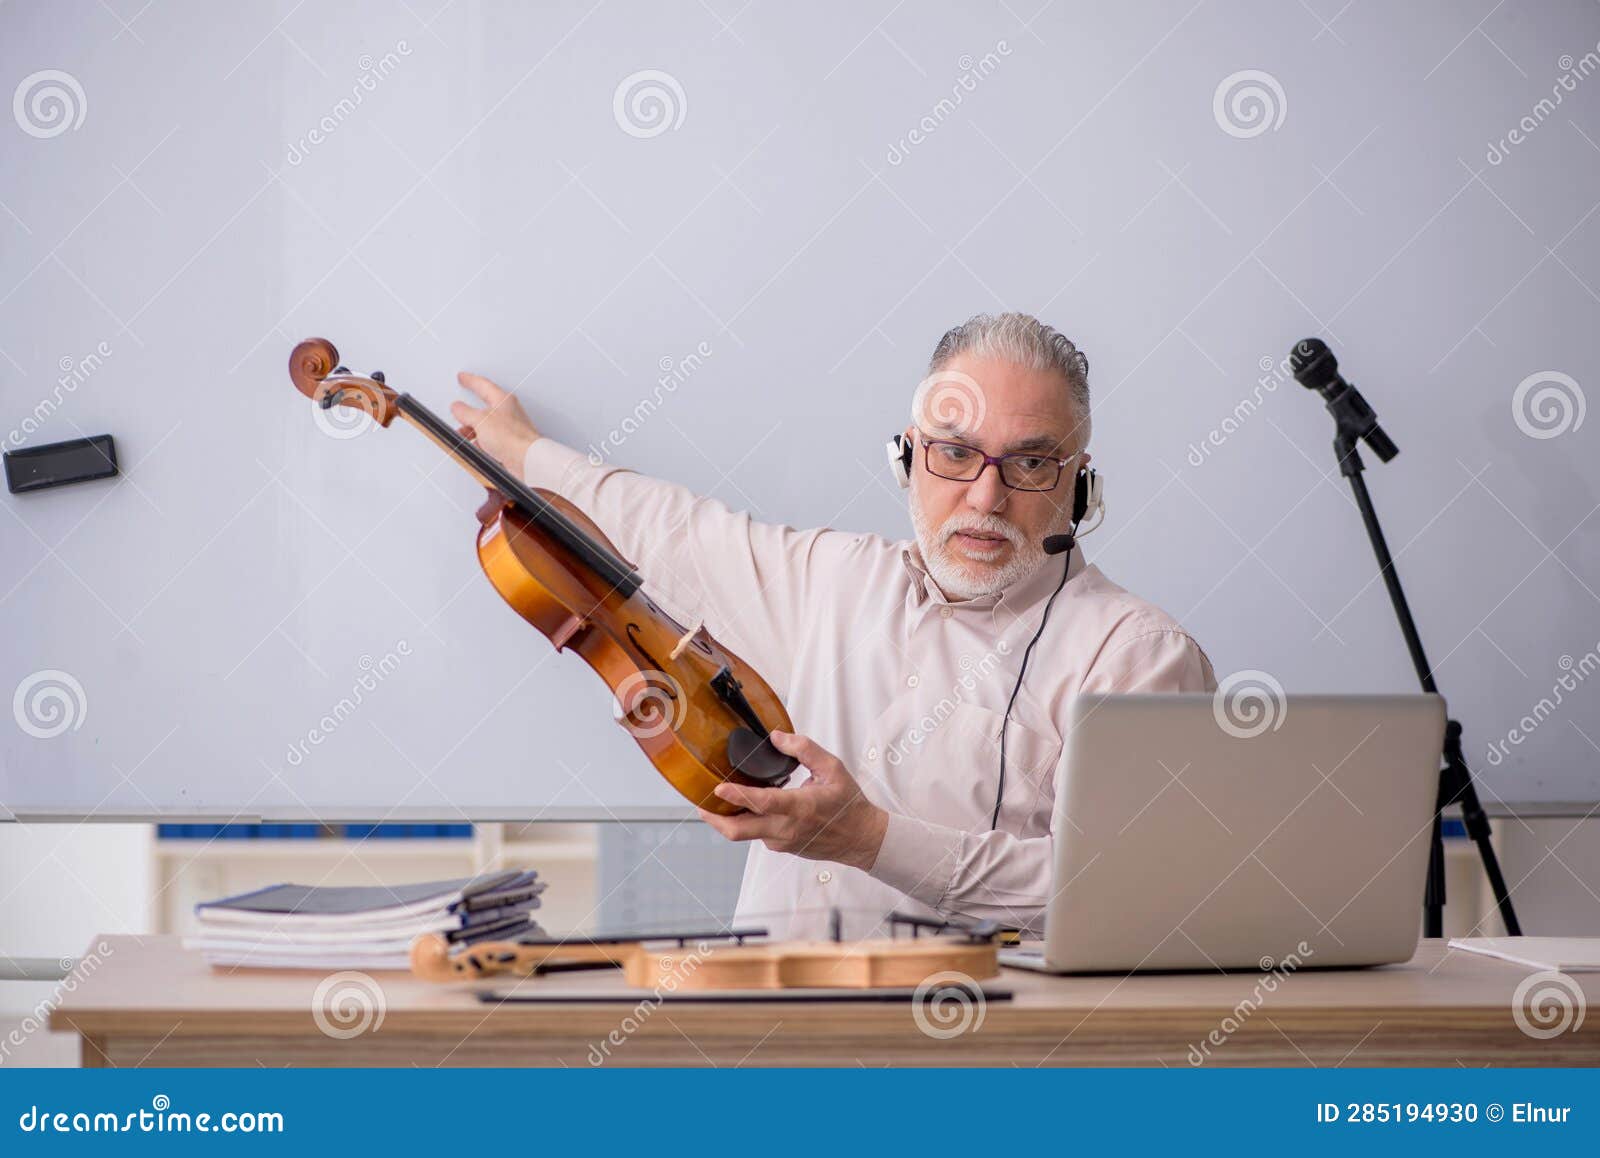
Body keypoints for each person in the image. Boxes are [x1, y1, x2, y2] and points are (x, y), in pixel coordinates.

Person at [452, 312, 1214, 938]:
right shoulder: (830, 577)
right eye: (955, 453)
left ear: (1079, 481)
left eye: (1030, 463)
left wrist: (871, 841)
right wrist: (528, 454)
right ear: (906, 457)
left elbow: (1128, 892)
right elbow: (669, 529)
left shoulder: (1138, 657)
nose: (986, 498)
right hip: (768, 1048)